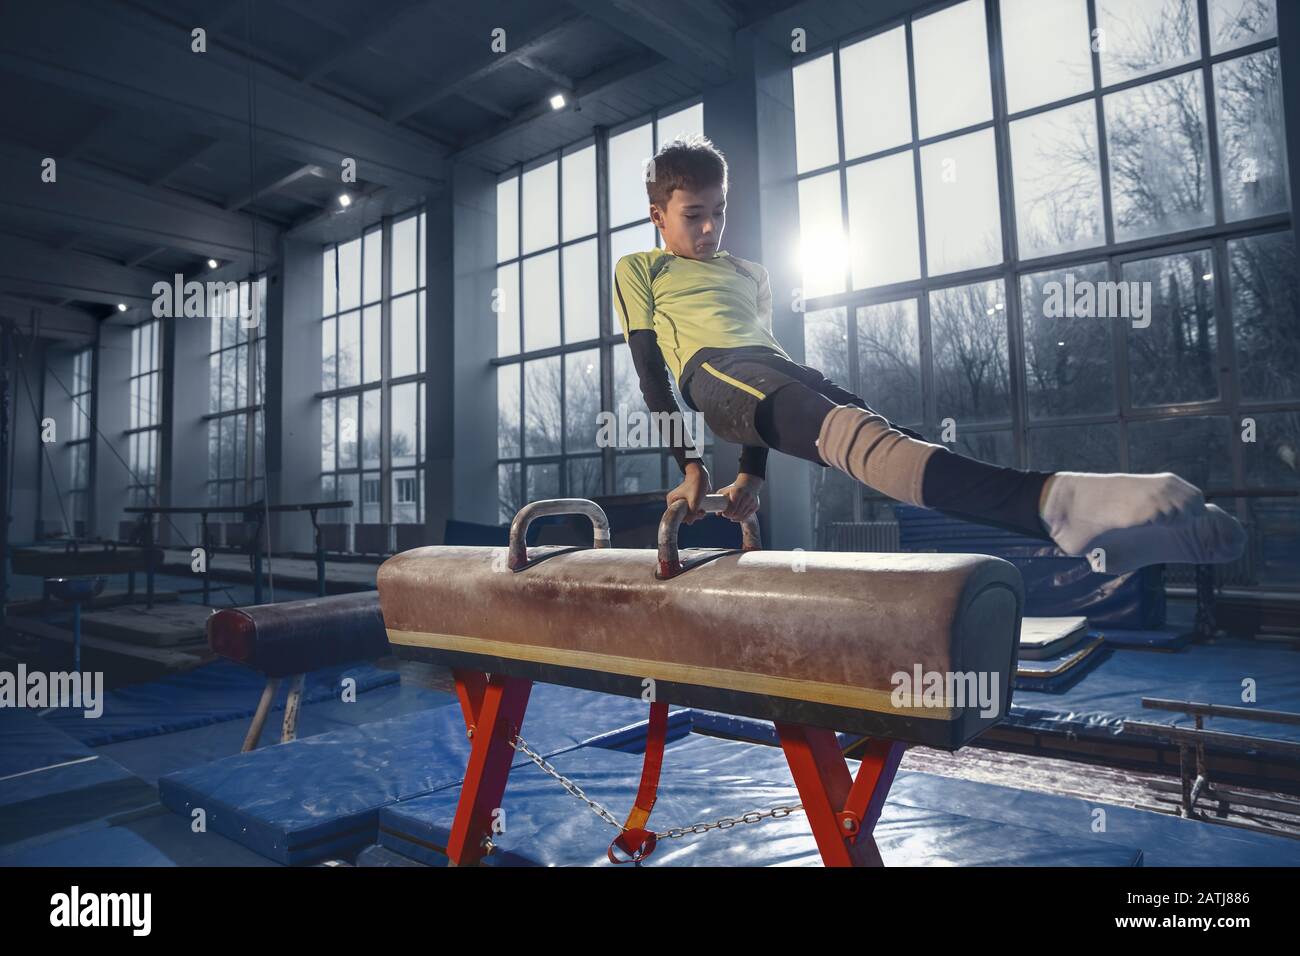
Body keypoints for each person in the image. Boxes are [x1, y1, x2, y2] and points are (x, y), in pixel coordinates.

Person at [613, 134, 1245, 575]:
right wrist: (691, 465)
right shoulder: (640, 268)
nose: (708, 229)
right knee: (853, 436)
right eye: (693, 215)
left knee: (880, 434)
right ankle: (1056, 504)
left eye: (718, 213)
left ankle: (1066, 525)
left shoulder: (750, 271)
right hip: (714, 373)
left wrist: (752, 473)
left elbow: (768, 378)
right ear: (657, 216)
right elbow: (651, 375)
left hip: (769, 370)